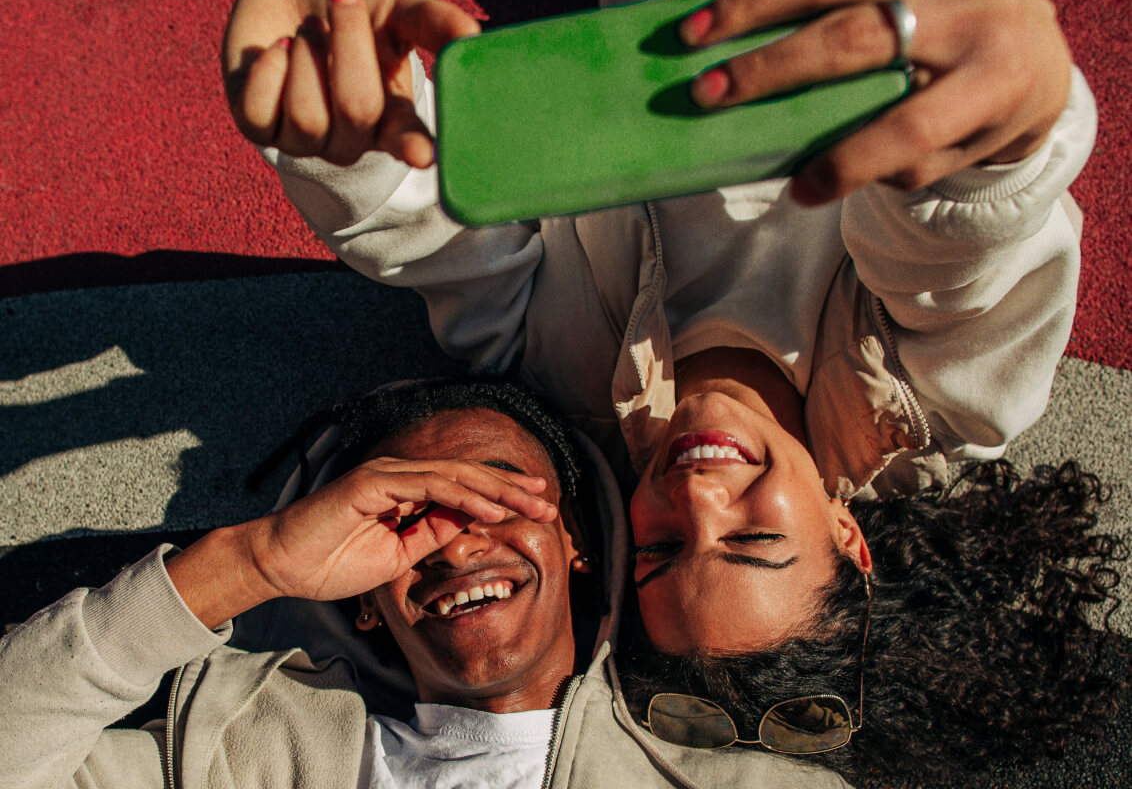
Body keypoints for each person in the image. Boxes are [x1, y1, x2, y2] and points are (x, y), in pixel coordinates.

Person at [218, 0, 1120, 779]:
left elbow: (445, 245)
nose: (695, 496)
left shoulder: (564, 400)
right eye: (753, 538)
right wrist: (993, 137)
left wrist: (344, 138)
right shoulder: (941, 406)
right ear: (851, 538)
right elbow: (963, 246)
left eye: (658, 552)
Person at [0, 377, 852, 789]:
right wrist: (247, 566)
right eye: (406, 515)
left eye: (497, 493)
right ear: (365, 601)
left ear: (575, 542)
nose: (455, 544)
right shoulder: (235, 757)